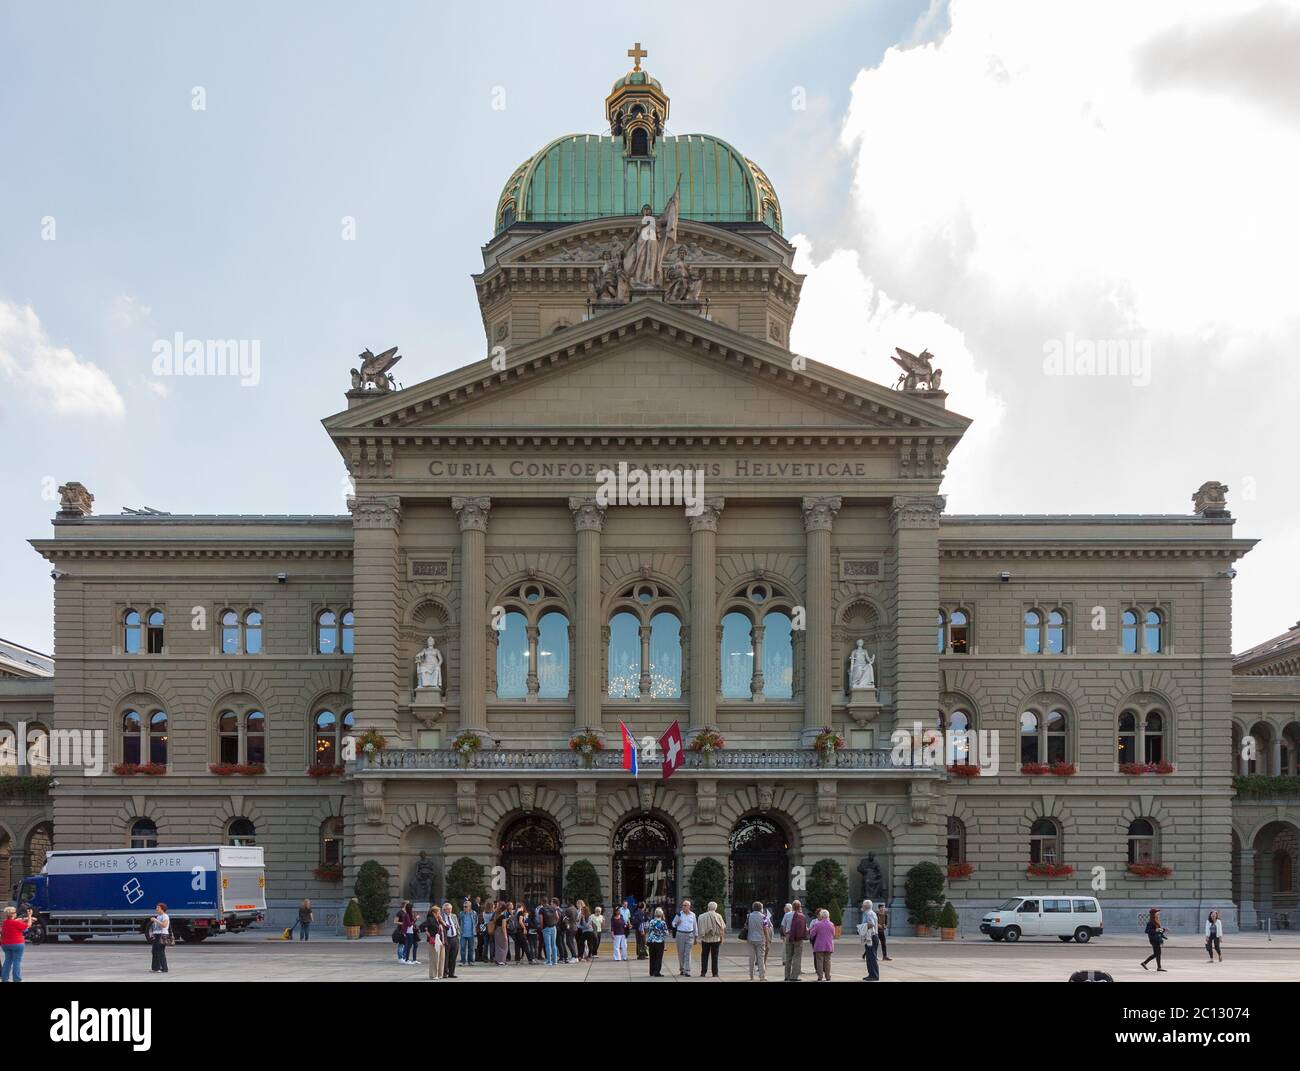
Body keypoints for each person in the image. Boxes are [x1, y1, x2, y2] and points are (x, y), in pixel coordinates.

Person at [1, 905, 33, 982]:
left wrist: (20, 919)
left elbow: (12, 923)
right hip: (17, 943)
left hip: (5, 944)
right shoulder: (16, 923)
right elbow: (28, 925)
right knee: (17, 961)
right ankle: (16, 979)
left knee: (7, 961)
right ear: (13, 914)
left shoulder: (4, 922)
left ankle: (4, 979)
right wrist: (29, 916)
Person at [697, 901, 725, 978]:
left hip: (705, 939)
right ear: (716, 908)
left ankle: (703, 972)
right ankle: (715, 973)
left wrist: (699, 937)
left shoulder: (701, 916)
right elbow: (722, 928)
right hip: (716, 939)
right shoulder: (718, 916)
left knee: (704, 956)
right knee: (715, 957)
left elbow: (699, 928)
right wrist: (722, 938)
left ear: (708, 907)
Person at [743, 901, 770, 981]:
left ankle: (751, 976)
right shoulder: (764, 917)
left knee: (751, 958)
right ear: (761, 908)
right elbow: (765, 929)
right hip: (760, 939)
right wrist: (767, 939)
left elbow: (746, 926)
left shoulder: (749, 916)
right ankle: (762, 976)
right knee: (761, 958)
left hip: (750, 938)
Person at [783, 900, 808, 981]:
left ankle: (787, 976)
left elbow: (783, 926)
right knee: (797, 957)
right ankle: (794, 976)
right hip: (798, 938)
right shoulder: (802, 916)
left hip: (789, 936)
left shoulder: (787, 915)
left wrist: (786, 935)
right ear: (799, 907)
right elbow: (805, 928)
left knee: (788, 957)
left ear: (792, 907)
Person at [672, 899, 697, 976]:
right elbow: (673, 923)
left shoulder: (693, 915)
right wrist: (676, 924)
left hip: (690, 935)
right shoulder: (679, 914)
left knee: (688, 953)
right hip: (680, 934)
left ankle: (687, 970)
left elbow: (695, 926)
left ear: (689, 906)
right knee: (681, 953)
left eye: (685, 905)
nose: (683, 906)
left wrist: (696, 936)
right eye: (682, 905)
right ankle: (682, 969)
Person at [808, 908, 836, 980]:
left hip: (819, 945)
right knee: (827, 961)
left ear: (821, 916)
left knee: (819, 961)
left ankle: (820, 976)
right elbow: (833, 934)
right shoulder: (831, 924)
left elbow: (812, 934)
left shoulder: (817, 924)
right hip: (828, 945)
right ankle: (828, 976)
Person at [1141, 908, 1167, 972]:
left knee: (1156, 953)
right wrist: (1156, 930)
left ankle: (1145, 963)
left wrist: (1163, 929)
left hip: (1156, 939)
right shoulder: (1150, 922)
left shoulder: (1156, 921)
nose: (1158, 914)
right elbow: (1147, 931)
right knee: (1158, 953)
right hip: (1153, 939)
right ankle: (1158, 967)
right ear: (1153, 914)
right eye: (1157, 913)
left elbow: (1158, 931)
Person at [859, 899, 880, 981]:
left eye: (863, 905)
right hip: (871, 936)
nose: (862, 907)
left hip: (871, 936)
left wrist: (863, 929)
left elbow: (871, 925)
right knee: (869, 956)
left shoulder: (869, 914)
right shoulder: (869, 913)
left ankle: (874, 975)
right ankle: (871, 974)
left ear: (865, 906)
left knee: (871, 957)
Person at [646, 907, 670, 976]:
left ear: (655, 914)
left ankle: (651, 971)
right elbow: (666, 932)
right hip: (659, 942)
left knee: (652, 957)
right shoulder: (662, 923)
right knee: (658, 957)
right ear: (662, 914)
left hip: (651, 941)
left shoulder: (651, 921)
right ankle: (657, 972)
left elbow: (649, 930)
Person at [423, 905, 445, 980]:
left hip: (441, 941)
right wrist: (427, 931)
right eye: (438, 912)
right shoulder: (430, 919)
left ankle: (440, 974)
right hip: (434, 941)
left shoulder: (439, 919)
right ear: (433, 913)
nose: (439, 913)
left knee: (441, 958)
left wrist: (442, 921)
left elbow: (447, 927)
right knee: (434, 958)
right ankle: (433, 975)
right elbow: (422, 926)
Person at [149, 902, 171, 974]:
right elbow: (156, 927)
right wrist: (153, 933)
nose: (156, 909)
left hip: (162, 935)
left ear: (162, 909)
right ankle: (155, 968)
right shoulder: (158, 916)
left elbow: (164, 925)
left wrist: (155, 920)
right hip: (157, 935)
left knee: (160, 951)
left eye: (158, 908)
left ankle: (164, 968)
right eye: (156, 907)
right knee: (154, 951)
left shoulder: (165, 916)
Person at [539, 898, 559, 966]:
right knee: (554, 944)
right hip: (553, 927)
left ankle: (549, 961)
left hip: (546, 928)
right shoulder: (553, 908)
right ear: (547, 902)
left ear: (542, 902)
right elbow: (557, 917)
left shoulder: (541, 909)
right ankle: (555, 961)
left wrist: (542, 928)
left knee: (548, 945)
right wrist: (554, 923)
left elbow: (541, 920)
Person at [442, 902, 459, 977]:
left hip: (454, 938)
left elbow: (457, 926)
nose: (449, 910)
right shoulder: (442, 917)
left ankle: (451, 973)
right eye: (448, 909)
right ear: (444, 910)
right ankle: (445, 973)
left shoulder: (454, 916)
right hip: (447, 939)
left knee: (453, 957)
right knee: (446, 957)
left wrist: (458, 935)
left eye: (450, 909)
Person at [459, 900, 477, 966]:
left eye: (466, 906)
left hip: (471, 933)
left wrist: (474, 930)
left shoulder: (474, 913)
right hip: (463, 933)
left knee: (471, 948)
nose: (464, 908)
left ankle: (470, 961)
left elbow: (476, 921)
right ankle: (463, 961)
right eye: (464, 906)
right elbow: (459, 921)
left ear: (470, 907)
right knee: (462, 948)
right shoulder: (461, 913)